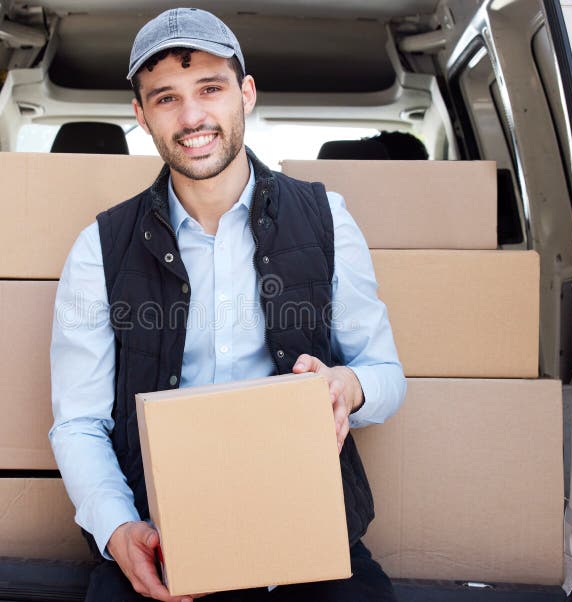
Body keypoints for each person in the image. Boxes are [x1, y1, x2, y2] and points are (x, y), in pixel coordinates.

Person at [50, 8, 406, 601]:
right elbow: (80, 422)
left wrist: (346, 387)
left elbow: (386, 376)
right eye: (165, 99)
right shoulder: (100, 249)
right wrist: (118, 531)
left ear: (246, 93)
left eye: (210, 89)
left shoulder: (326, 219)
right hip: (163, 540)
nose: (192, 117)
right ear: (141, 116)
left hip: (311, 541)